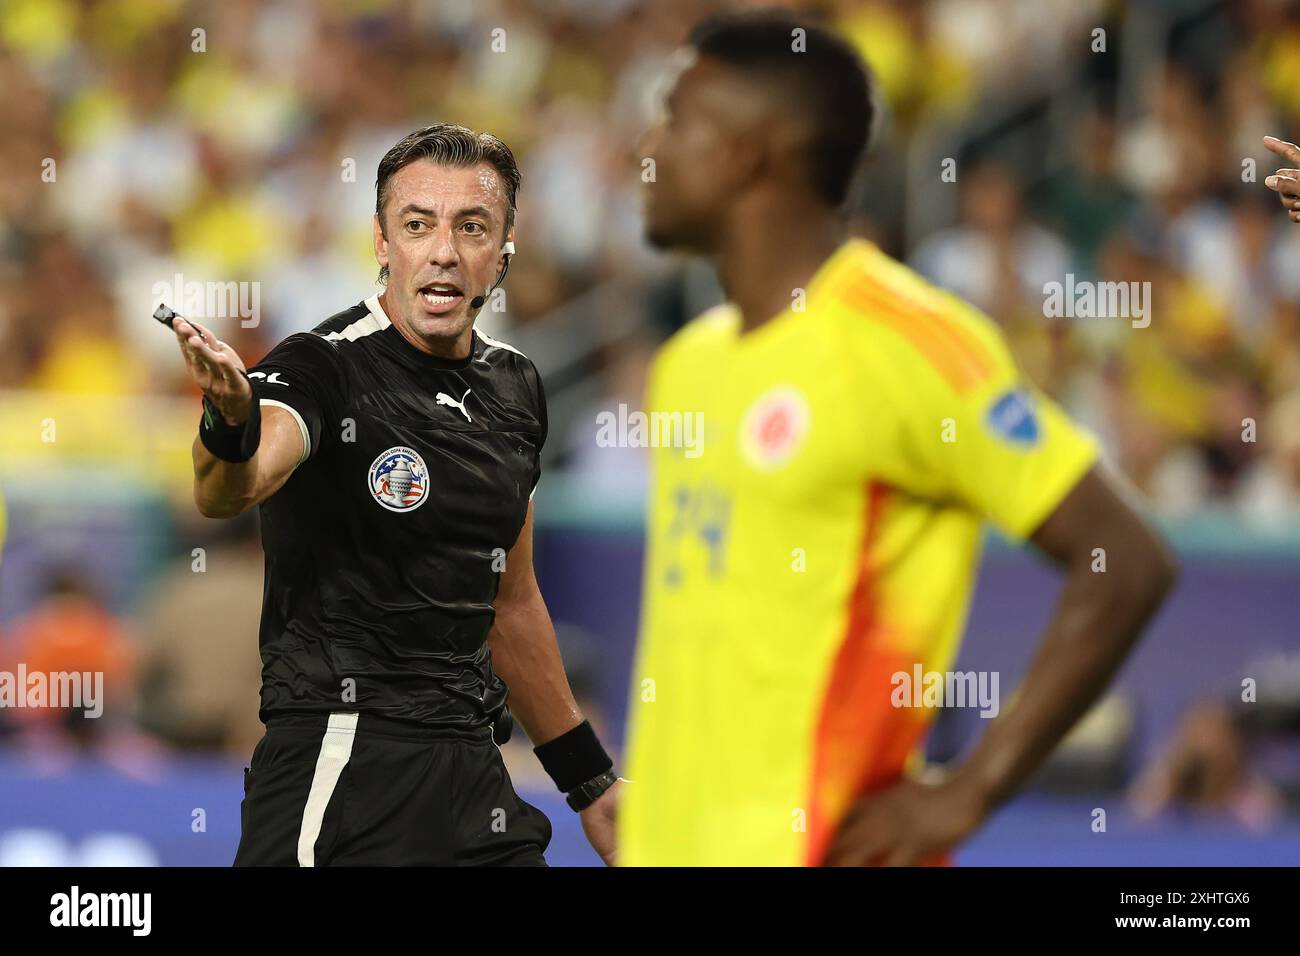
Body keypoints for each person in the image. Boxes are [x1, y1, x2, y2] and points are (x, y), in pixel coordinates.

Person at [618, 11, 1178, 866]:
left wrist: (968, 790)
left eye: (675, 116)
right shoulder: (689, 363)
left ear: (743, 152)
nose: (647, 147)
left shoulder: (905, 345)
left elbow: (1126, 559)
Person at [170, 124, 618, 866]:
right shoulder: (324, 366)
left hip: (473, 775)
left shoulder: (517, 388)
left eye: (470, 227)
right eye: (417, 225)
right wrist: (229, 420)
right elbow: (231, 489)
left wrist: (591, 784)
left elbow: (512, 601)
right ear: (383, 244)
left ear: (502, 254)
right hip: (339, 765)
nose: (443, 250)